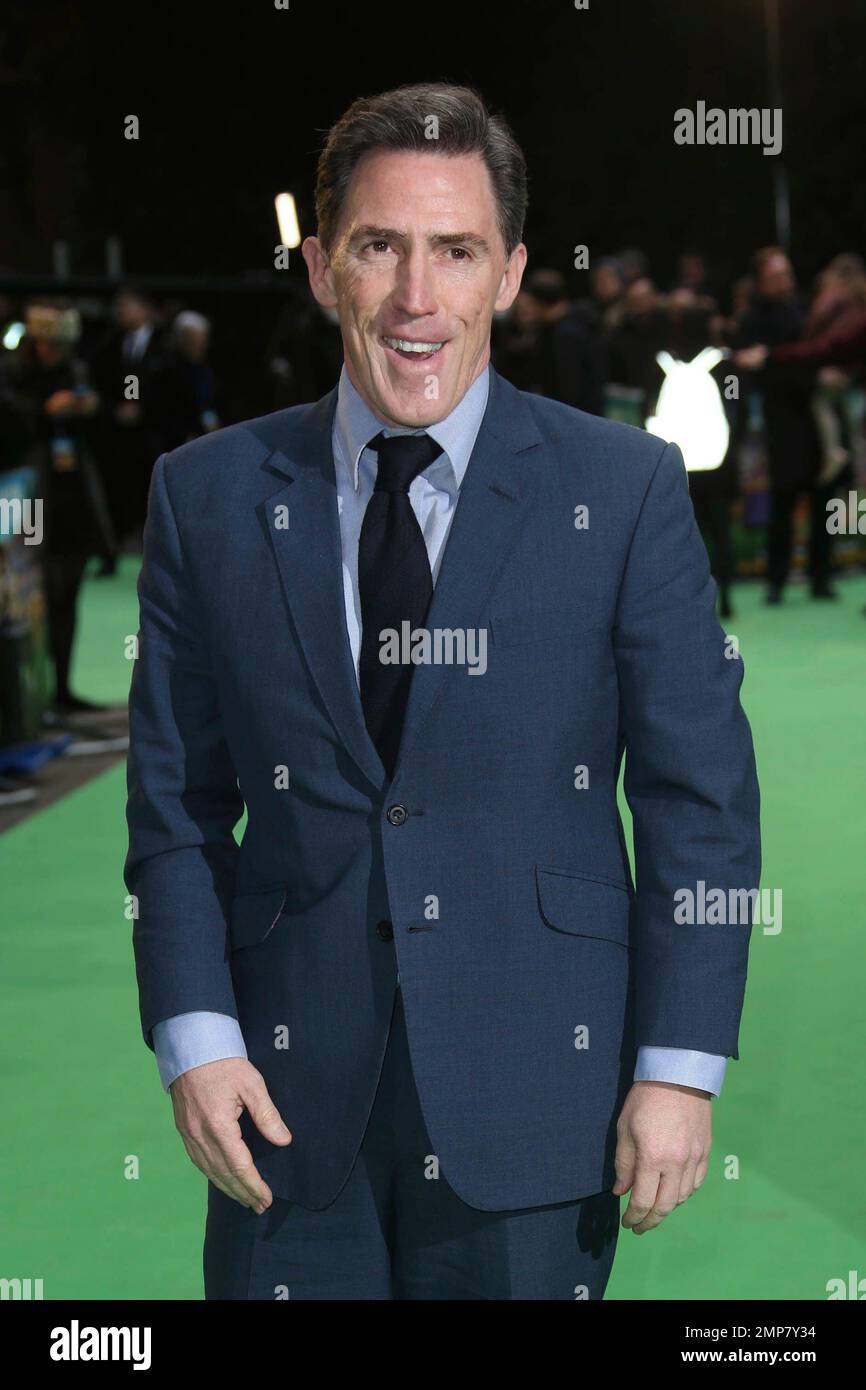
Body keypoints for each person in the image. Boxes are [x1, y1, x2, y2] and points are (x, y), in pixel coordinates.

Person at [125, 82, 761, 1302]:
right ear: (321, 269)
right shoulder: (205, 496)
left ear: (510, 274)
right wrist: (195, 1040)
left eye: (455, 251)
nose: (416, 299)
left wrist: (678, 1068)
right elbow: (175, 806)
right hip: (281, 1105)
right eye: (379, 248)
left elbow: (700, 803)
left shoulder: (622, 490)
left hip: (540, 1101)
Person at [2, 302, 112, 716]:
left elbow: (100, 424)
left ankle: (62, 691)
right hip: (28, 501)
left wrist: (88, 408)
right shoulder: (12, 373)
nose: (57, 352)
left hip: (72, 498)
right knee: (33, 599)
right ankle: (31, 698)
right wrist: (44, 413)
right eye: (51, 344)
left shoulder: (76, 370)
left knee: (67, 594)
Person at [736, 247, 831, 603]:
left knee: (824, 495)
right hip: (781, 420)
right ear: (760, 280)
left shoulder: (807, 308)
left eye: (786, 274)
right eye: (776, 276)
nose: (784, 281)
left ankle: (821, 576)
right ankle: (776, 580)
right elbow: (751, 367)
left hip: (816, 417)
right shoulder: (752, 319)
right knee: (783, 500)